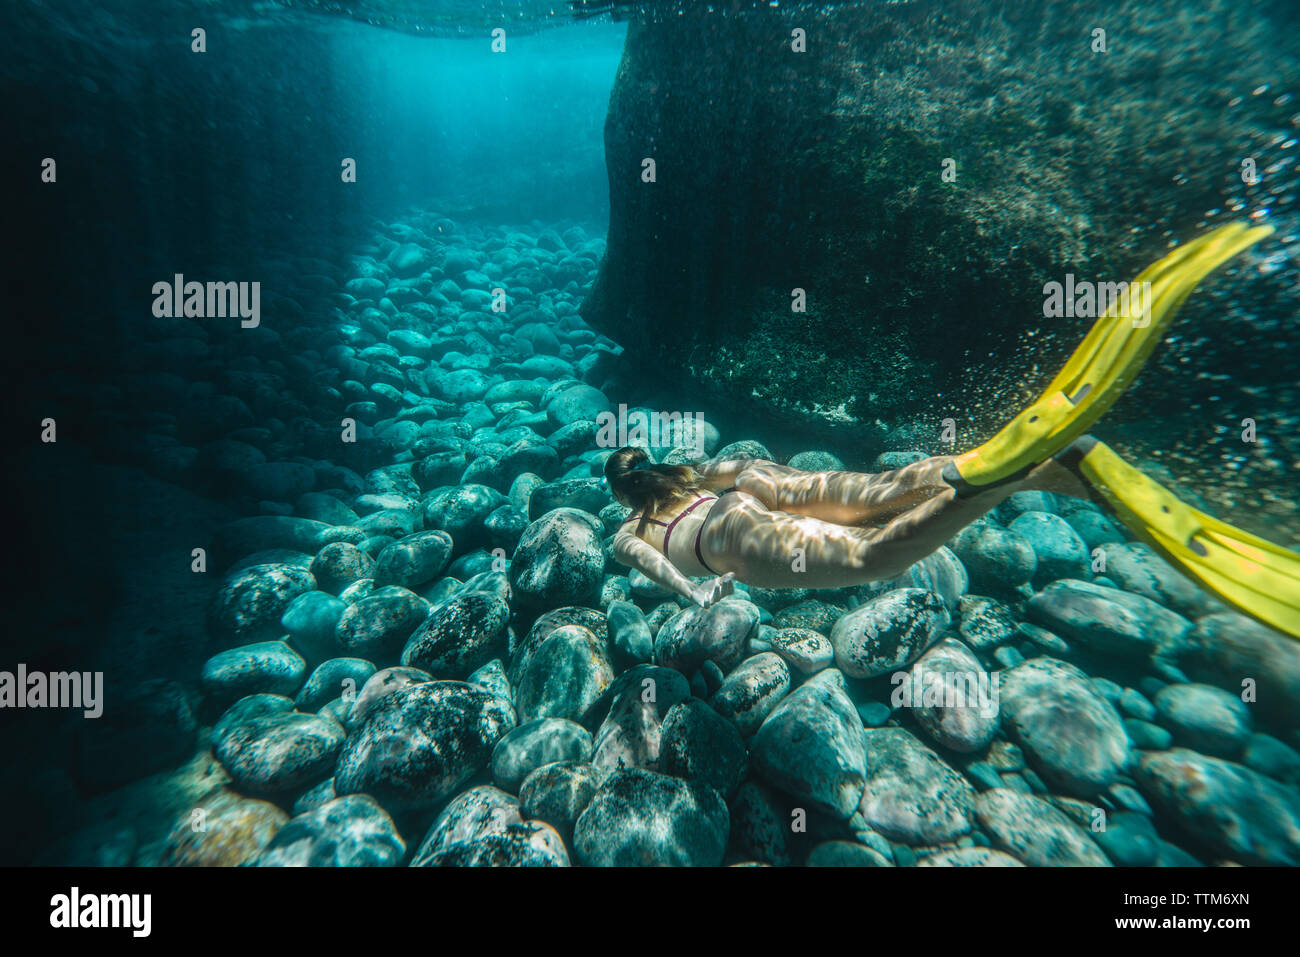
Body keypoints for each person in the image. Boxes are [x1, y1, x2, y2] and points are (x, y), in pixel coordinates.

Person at [607, 221, 1300, 640]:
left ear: (619, 494)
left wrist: (700, 593)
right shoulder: (688, 473)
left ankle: (995, 479)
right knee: (881, 490)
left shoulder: (626, 530)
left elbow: (662, 569)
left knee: (870, 557)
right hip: (750, 487)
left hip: (722, 537)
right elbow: (750, 465)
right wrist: (773, 487)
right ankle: (1006, 463)